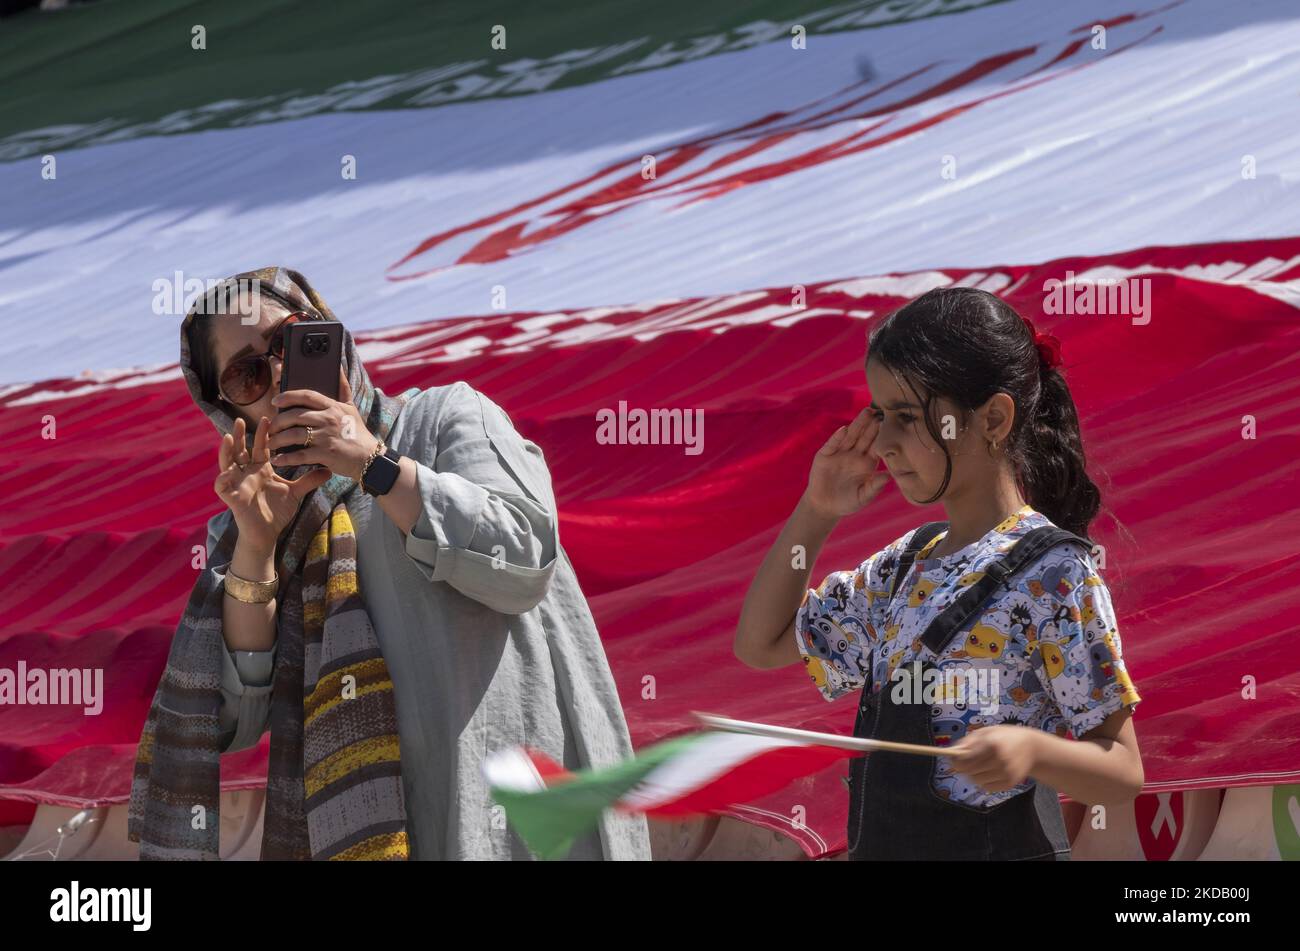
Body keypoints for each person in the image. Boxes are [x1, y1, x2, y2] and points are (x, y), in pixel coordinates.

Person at [127, 266, 650, 860]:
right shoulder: (250, 525)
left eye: (292, 342)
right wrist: (256, 545)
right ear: (229, 412)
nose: (277, 374)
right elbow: (228, 719)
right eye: (247, 373)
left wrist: (372, 463)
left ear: (333, 337)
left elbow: (526, 557)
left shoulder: (444, 420)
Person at [733, 286, 1143, 860]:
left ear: (994, 418)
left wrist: (1031, 751)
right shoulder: (903, 568)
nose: (883, 440)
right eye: (878, 414)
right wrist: (817, 509)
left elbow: (1122, 768)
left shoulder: (1054, 574)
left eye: (905, 416)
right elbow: (762, 642)